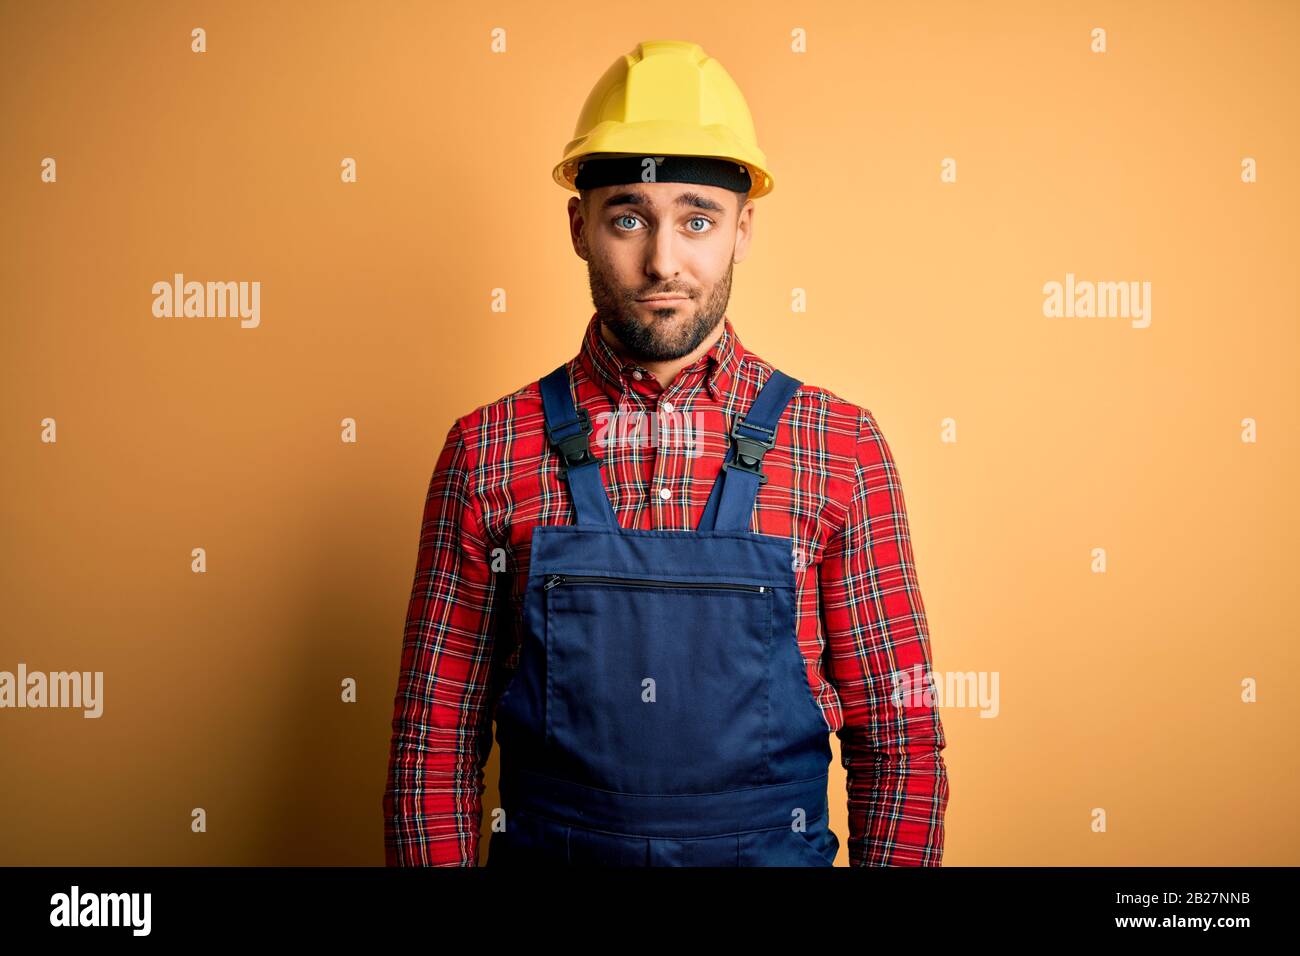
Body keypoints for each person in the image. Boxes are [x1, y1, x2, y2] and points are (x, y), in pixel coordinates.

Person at [383, 39, 948, 867]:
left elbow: (899, 736)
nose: (662, 261)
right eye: (626, 217)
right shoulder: (486, 449)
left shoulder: (842, 447)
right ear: (579, 226)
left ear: (741, 230)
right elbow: (432, 744)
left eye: (696, 219)